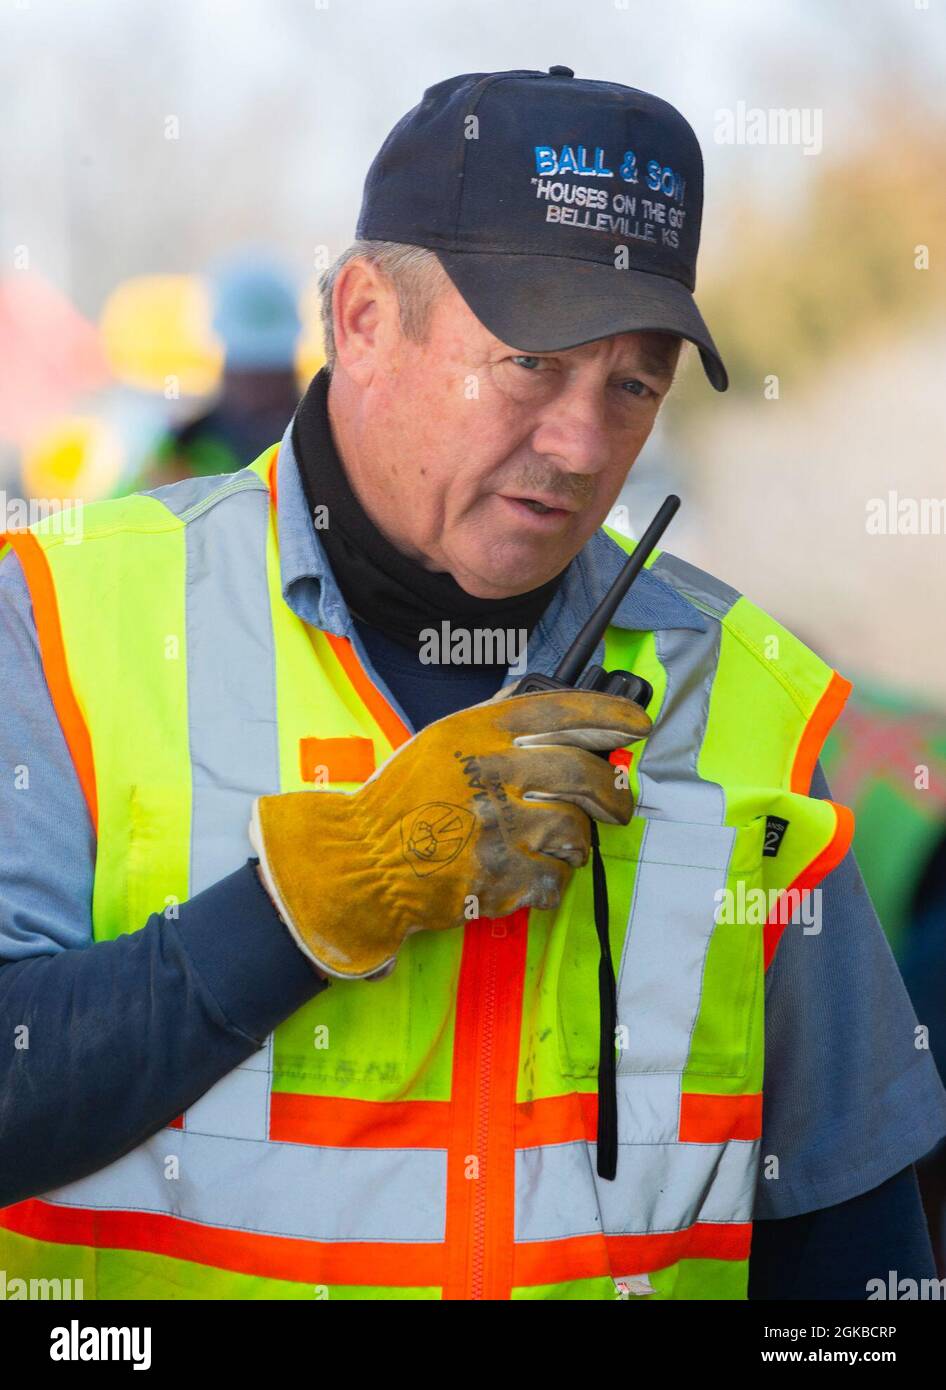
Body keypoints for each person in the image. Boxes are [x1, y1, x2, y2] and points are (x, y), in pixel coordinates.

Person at [1, 67, 944, 1302]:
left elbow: (849, 1235)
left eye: (633, 384)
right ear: (362, 319)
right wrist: (301, 910)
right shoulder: (60, 620)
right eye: (531, 363)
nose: (583, 442)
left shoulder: (747, 700)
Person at [112, 251, 304, 494]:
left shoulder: (324, 445)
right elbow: (118, 515)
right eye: (247, 370)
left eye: (270, 372)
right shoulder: (177, 453)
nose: (259, 388)